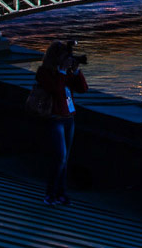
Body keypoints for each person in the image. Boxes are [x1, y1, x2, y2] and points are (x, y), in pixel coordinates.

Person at [35, 40, 88, 206]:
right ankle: (51, 194)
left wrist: (76, 70)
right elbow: (56, 91)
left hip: (68, 119)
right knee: (60, 158)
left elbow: (83, 89)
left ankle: (61, 194)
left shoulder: (65, 74)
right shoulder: (44, 73)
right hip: (54, 119)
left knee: (65, 159)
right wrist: (62, 72)